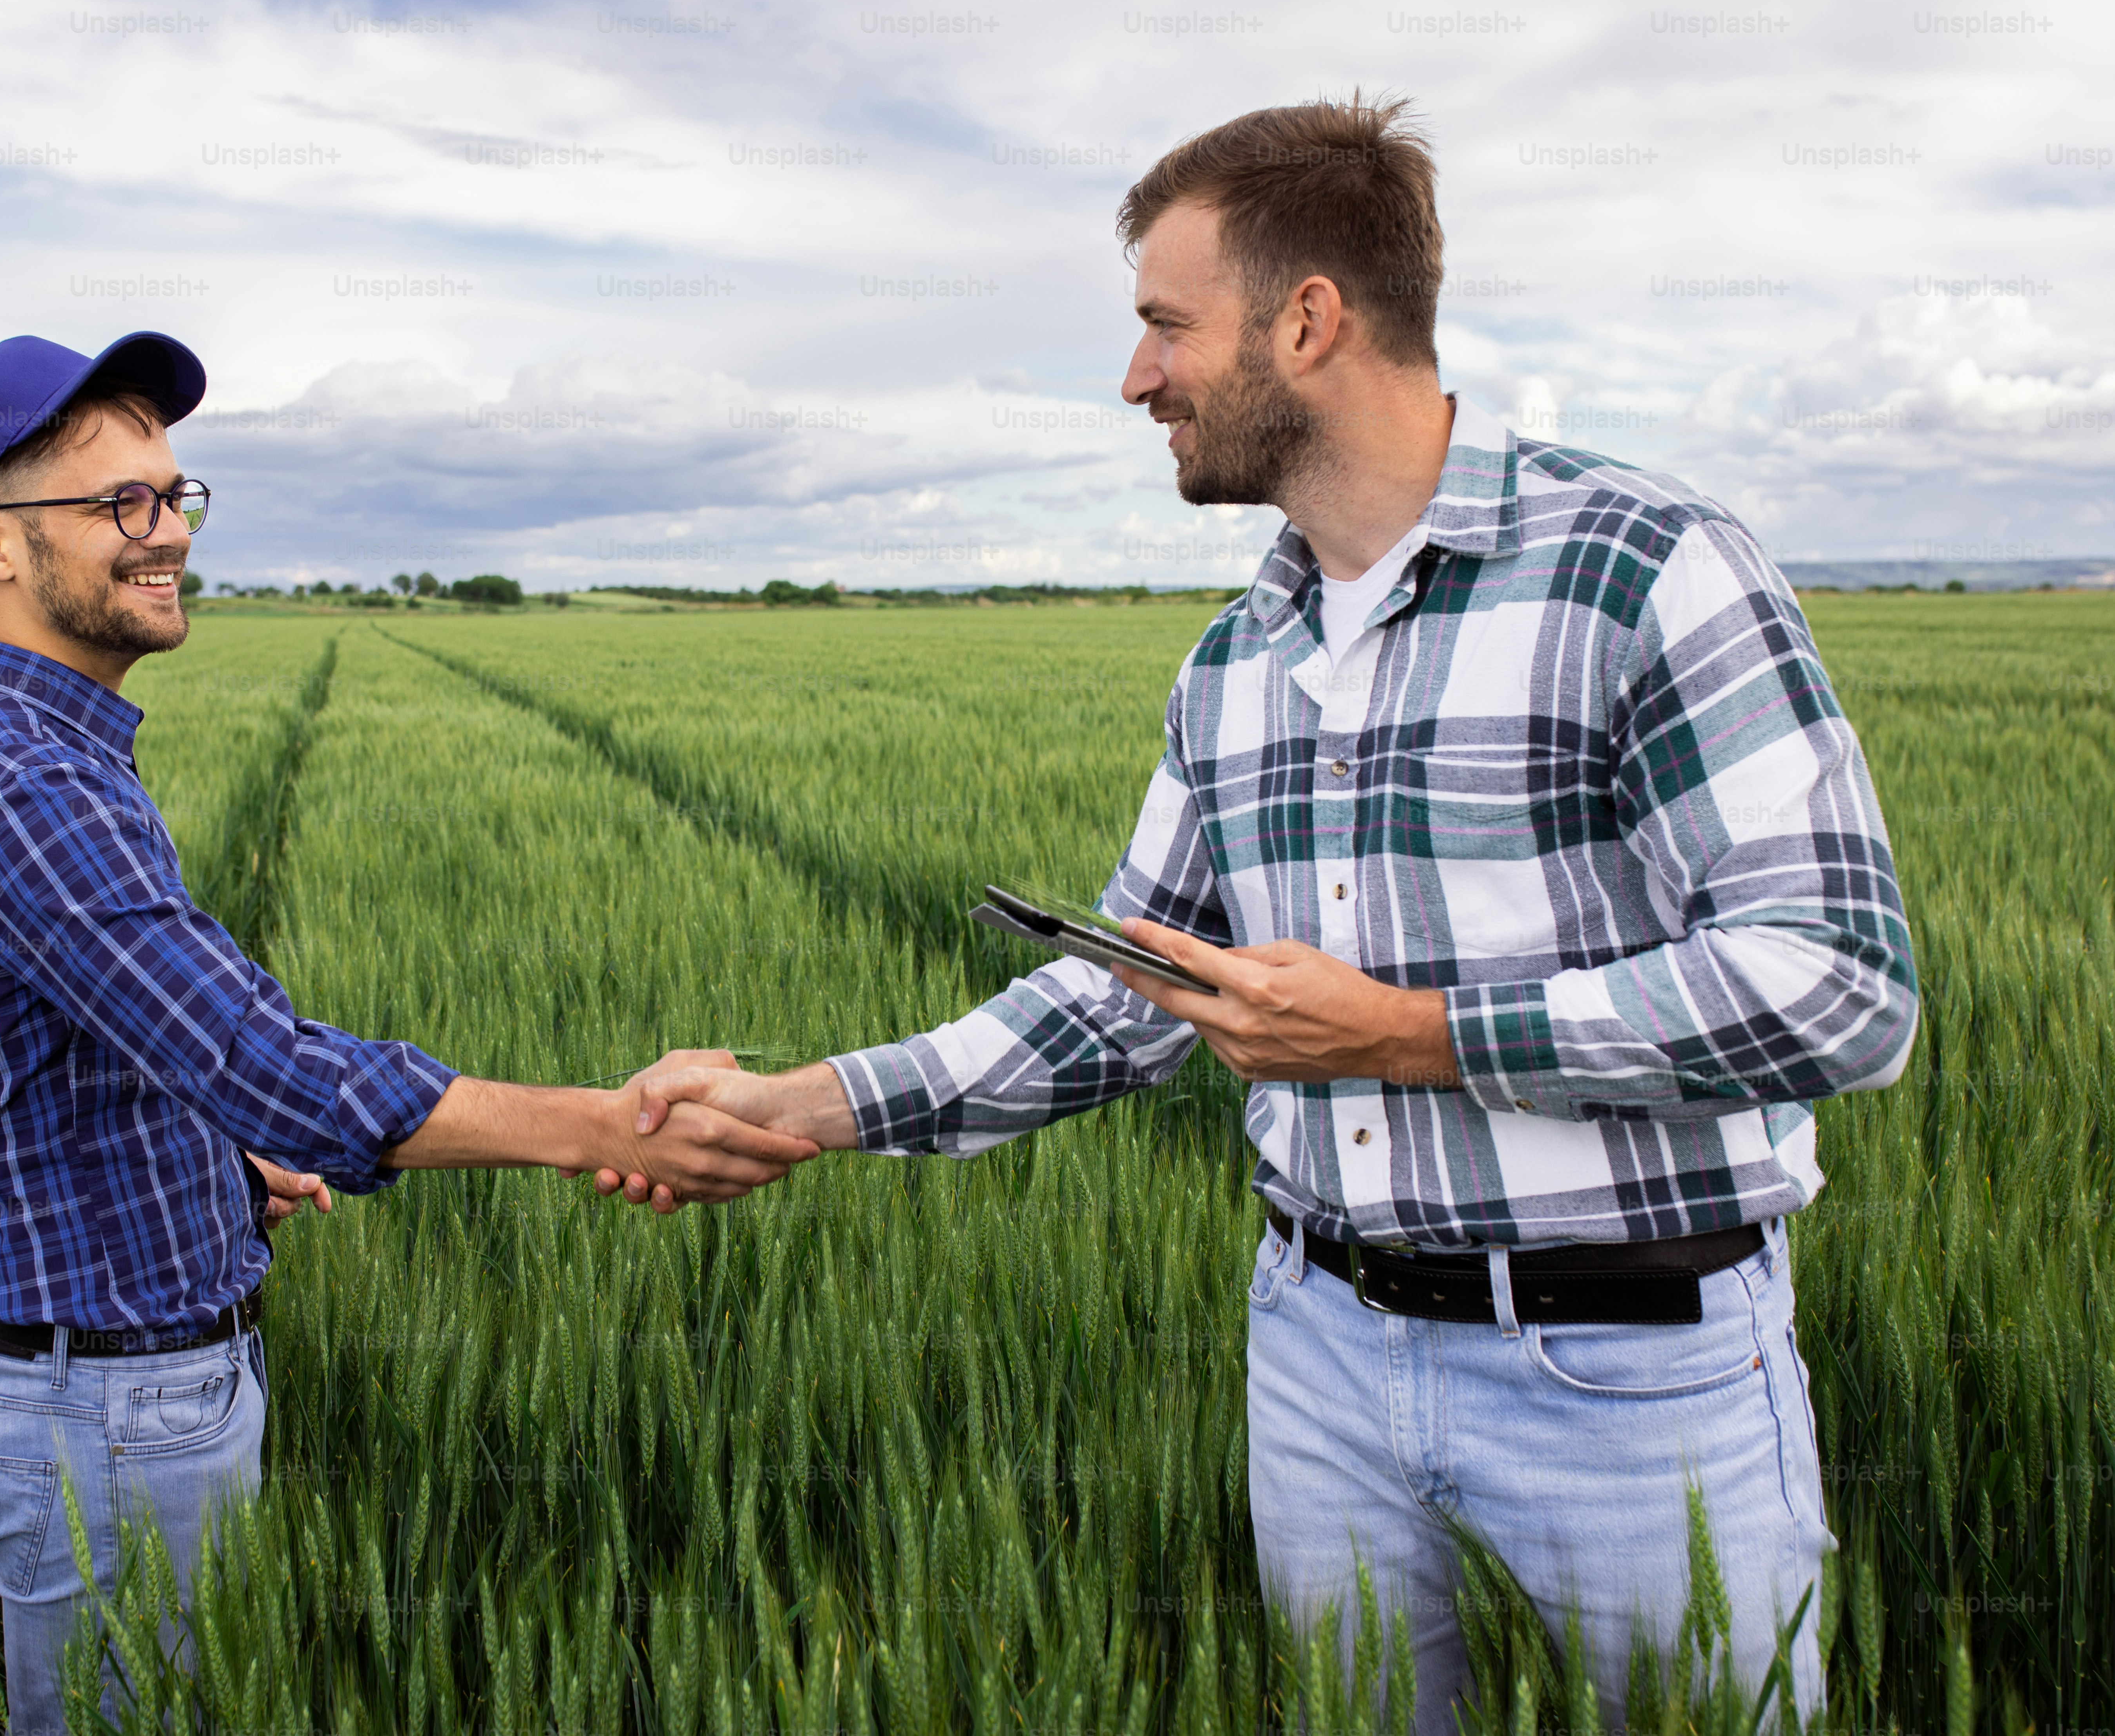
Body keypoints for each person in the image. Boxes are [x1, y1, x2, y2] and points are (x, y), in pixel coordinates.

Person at [612, 98, 1916, 1726]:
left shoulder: (1643, 569)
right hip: (1318, 1354)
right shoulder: (1237, 657)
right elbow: (1125, 986)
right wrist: (799, 1106)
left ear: (1306, 322)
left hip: (1628, 1373)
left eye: (1165, 325)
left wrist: (1410, 1037)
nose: (1135, 377)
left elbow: (1840, 985)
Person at [0, 331, 819, 1731]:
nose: (167, 533)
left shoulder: (19, 754)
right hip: (106, 1419)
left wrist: (216, 1172)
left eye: (176, 495)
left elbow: (38, 1074)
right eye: (120, 501)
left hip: (89, 1394)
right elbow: (260, 1063)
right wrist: (606, 1126)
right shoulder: (27, 791)